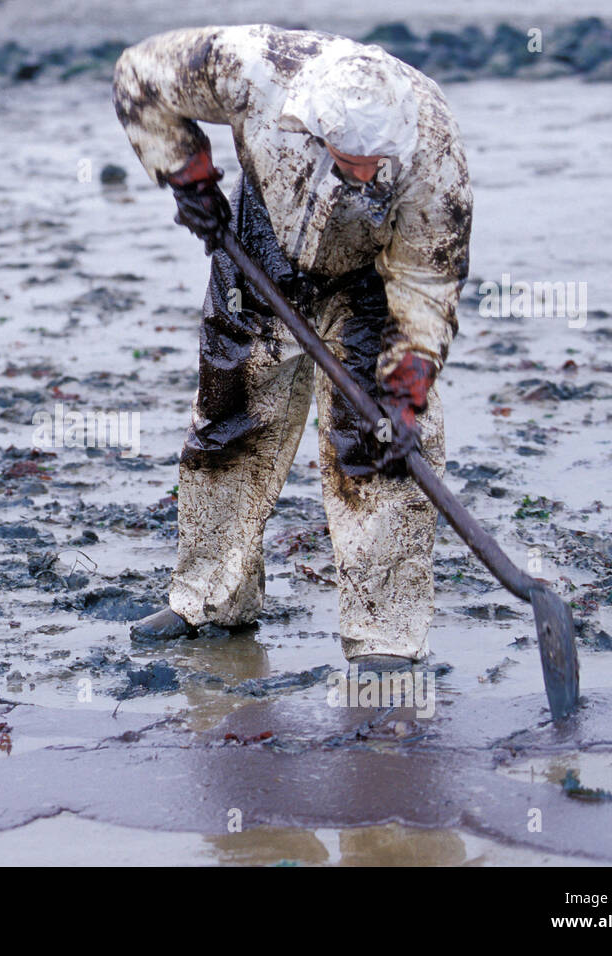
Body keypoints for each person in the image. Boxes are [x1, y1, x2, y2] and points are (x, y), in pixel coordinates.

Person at [113, 25, 472, 667]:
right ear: (313, 124)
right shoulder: (251, 68)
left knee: (379, 448)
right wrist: (188, 176)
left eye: (375, 162)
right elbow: (138, 75)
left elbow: (427, 278)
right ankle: (210, 599)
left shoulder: (434, 150)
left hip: (371, 276)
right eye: (347, 157)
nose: (362, 172)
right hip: (260, 241)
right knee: (229, 425)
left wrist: (407, 384)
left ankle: (385, 638)